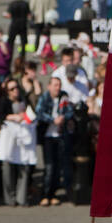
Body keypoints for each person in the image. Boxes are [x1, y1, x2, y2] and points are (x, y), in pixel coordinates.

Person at [0, 78, 37, 206]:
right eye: (12, 89)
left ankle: (22, 197)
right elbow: (0, 117)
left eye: (17, 87)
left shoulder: (24, 100)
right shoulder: (4, 102)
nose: (15, 91)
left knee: (24, 166)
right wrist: (13, 117)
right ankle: (10, 197)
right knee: (8, 168)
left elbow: (31, 112)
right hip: (9, 139)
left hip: (23, 137)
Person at [36, 76, 74, 206]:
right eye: (55, 85)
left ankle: (54, 193)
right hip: (48, 136)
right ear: (49, 86)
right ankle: (45, 193)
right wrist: (52, 120)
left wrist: (63, 117)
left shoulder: (64, 97)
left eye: (59, 85)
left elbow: (70, 111)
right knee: (49, 166)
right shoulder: (45, 97)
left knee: (58, 166)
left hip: (60, 135)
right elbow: (39, 112)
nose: (57, 88)